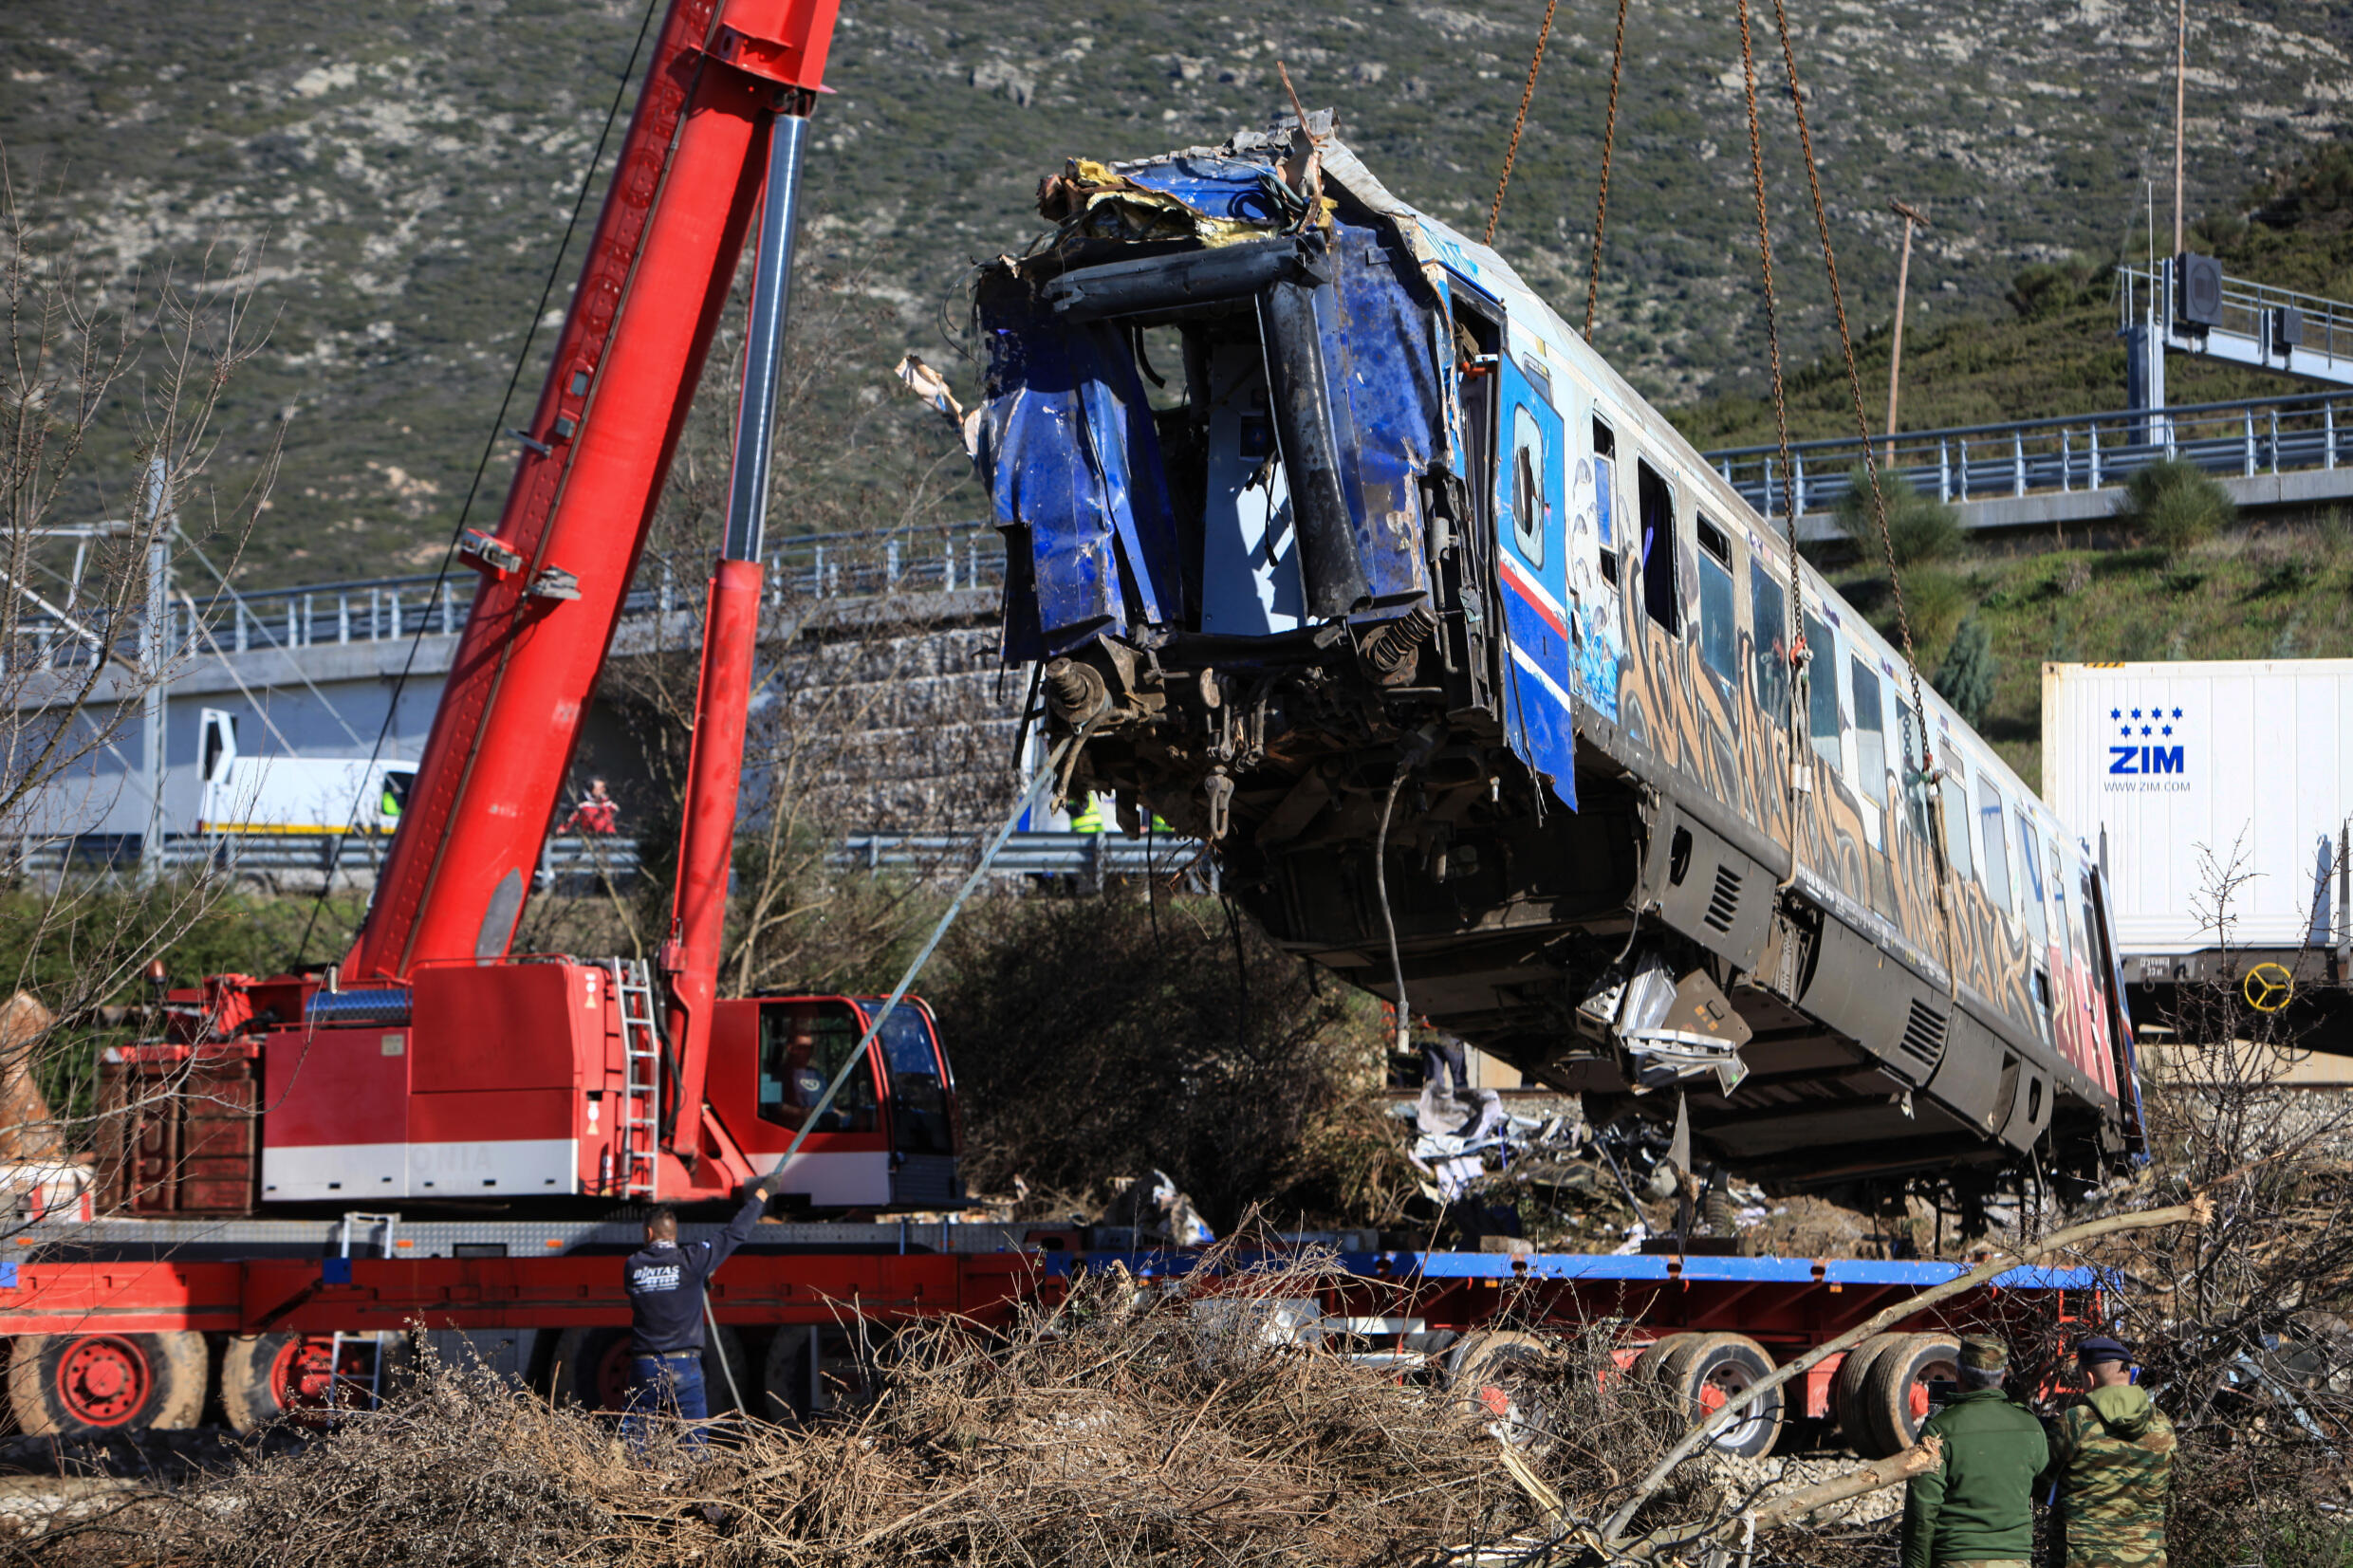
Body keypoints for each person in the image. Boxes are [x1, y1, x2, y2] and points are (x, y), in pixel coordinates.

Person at [622, 1178, 770, 1450]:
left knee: (638, 1439)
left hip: (645, 1364)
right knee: (693, 1440)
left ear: (649, 1234)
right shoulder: (692, 1260)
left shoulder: (633, 1266)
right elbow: (733, 1234)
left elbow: (656, 1295)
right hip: (683, 1363)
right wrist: (760, 1196)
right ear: (673, 1234)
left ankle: (637, 1483)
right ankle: (691, 1483)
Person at [1900, 1336, 2050, 1568]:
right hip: (2014, 1560)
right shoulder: (2030, 1427)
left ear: (1958, 1376)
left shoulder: (1939, 1430)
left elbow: (1922, 1512)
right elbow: (2046, 1488)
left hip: (1956, 1559)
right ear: (2002, 1377)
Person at [2045, 1334, 2176, 1568]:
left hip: (2085, 1558)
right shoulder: (2162, 1424)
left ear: (2090, 1378)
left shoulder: (2075, 1422)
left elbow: (2043, 1482)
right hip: (2146, 1556)